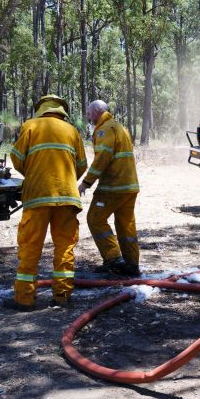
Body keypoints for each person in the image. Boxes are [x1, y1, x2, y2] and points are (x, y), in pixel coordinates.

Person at [6, 95, 87, 311]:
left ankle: (24, 299)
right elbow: (82, 165)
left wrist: (34, 174)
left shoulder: (30, 126)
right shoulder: (72, 131)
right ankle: (62, 296)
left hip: (37, 197)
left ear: (41, 109)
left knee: (31, 247)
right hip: (67, 198)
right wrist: (67, 179)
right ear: (62, 111)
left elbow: (16, 158)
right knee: (65, 247)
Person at [78, 100, 141, 276]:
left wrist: (86, 183)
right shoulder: (120, 127)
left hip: (112, 188)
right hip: (129, 187)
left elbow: (102, 159)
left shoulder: (104, 129)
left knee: (95, 219)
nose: (88, 116)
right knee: (125, 225)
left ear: (97, 111)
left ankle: (113, 259)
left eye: (89, 113)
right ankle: (131, 264)